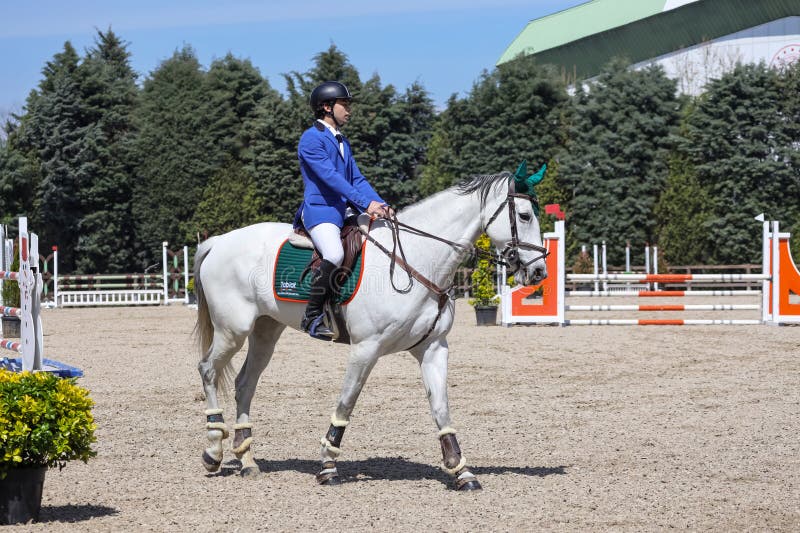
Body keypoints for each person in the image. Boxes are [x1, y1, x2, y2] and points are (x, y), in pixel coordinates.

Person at [293, 81, 394, 339]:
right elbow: (331, 178)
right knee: (335, 253)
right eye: (344, 105)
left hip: (344, 210)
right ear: (327, 107)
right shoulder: (311, 138)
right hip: (321, 211)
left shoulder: (342, 141)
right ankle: (312, 316)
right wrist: (365, 204)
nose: (349, 110)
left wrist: (381, 204)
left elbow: (356, 179)